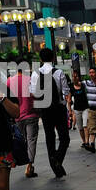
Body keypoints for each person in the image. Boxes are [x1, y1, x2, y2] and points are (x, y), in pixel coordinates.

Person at [29, 46, 70, 177]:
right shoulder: (58, 73)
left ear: (40, 59)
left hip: (45, 110)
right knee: (64, 138)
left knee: (49, 137)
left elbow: (33, 92)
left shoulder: (35, 73)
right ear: (52, 58)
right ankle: (57, 159)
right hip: (59, 108)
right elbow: (66, 91)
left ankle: (55, 165)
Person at [7, 67, 38, 177]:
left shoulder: (9, 81)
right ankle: (29, 166)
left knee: (20, 140)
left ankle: (17, 160)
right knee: (31, 140)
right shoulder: (30, 79)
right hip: (31, 114)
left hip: (17, 116)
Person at [69, 70, 89, 148]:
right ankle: (84, 141)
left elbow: (88, 95)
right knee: (80, 128)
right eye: (73, 76)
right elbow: (69, 100)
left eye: (76, 76)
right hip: (77, 109)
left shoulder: (83, 85)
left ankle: (87, 141)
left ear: (79, 77)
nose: (75, 78)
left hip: (85, 108)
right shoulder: (71, 87)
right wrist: (70, 111)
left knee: (85, 125)